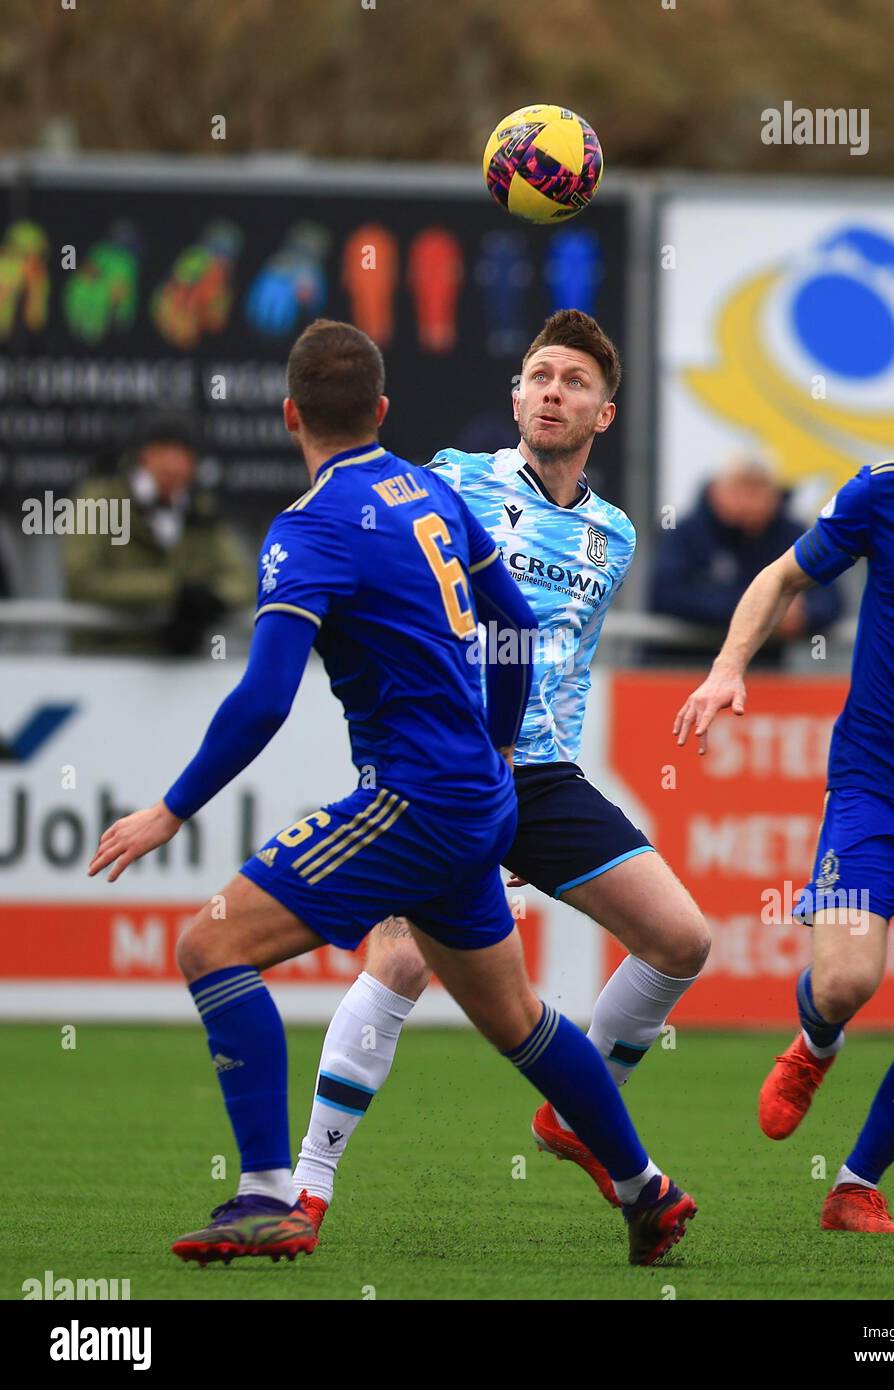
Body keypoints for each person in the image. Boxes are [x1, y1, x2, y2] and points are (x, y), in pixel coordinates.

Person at [88, 319, 695, 1268]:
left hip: (417, 799)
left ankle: (269, 1196)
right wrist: (496, 747)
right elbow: (514, 625)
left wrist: (172, 806)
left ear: (291, 414)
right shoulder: (431, 489)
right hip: (479, 794)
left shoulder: (312, 525)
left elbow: (262, 699)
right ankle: (645, 1190)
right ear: (379, 411)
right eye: (537, 376)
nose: (548, 393)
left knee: (211, 943)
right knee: (518, 1020)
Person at [292, 309, 711, 1230]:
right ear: (515, 395)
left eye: (574, 381)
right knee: (401, 958)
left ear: (604, 414)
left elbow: (563, 661)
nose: (553, 390)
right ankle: (309, 1182)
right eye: (540, 376)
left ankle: (574, 1113)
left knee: (682, 940)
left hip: (543, 774)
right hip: (445, 766)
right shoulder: (449, 481)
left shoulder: (615, 534)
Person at [674, 329, 894, 1233]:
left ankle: (854, 1184)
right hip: (873, 781)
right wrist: (727, 667)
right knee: (844, 980)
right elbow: (779, 576)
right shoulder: (884, 493)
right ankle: (814, 1042)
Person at [64, 416, 253, 655]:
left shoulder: (201, 509)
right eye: (162, 452)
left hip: (182, 666)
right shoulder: (99, 501)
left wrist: (211, 599)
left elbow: (242, 579)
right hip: (107, 661)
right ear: (141, 456)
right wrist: (173, 593)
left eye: (182, 454)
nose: (173, 465)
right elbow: (82, 580)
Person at [649, 453, 842, 666]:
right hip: (681, 669)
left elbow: (830, 597)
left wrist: (803, 614)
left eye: (758, 491)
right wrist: (762, 610)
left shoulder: (791, 534)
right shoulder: (685, 531)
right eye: (739, 490)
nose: (750, 501)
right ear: (715, 492)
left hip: (764, 673)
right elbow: (666, 595)